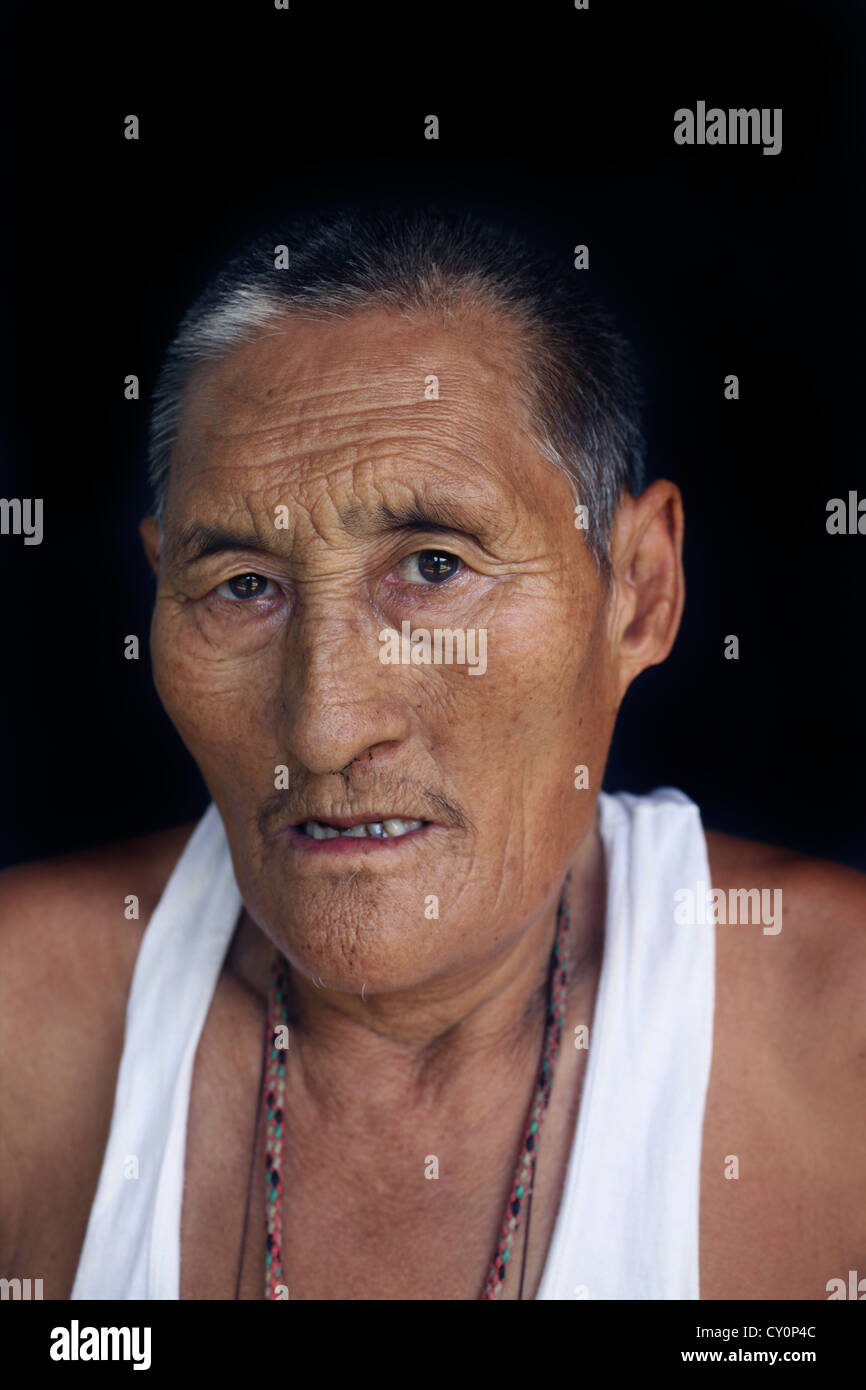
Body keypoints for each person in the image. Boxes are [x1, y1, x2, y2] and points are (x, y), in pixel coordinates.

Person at [1, 209, 863, 1301]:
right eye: (244, 586)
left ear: (638, 591)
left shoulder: (838, 1058)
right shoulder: (19, 1035)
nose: (323, 728)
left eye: (435, 567)